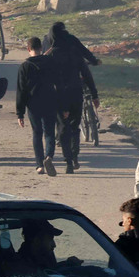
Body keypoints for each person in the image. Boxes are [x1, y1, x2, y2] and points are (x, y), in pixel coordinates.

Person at [43, 22, 99, 173]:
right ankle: (74, 158)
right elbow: (86, 74)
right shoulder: (75, 53)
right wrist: (94, 95)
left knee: (63, 129)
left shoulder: (50, 55)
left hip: (60, 96)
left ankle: (68, 162)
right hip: (76, 94)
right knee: (75, 128)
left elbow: (44, 79)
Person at [15, 37, 63, 176]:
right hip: (50, 101)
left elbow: (21, 91)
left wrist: (20, 113)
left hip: (33, 104)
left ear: (28, 49)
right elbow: (59, 84)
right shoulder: (50, 62)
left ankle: (39, 165)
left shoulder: (24, 66)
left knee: (37, 133)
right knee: (49, 132)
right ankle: (49, 157)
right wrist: (63, 105)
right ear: (41, 48)